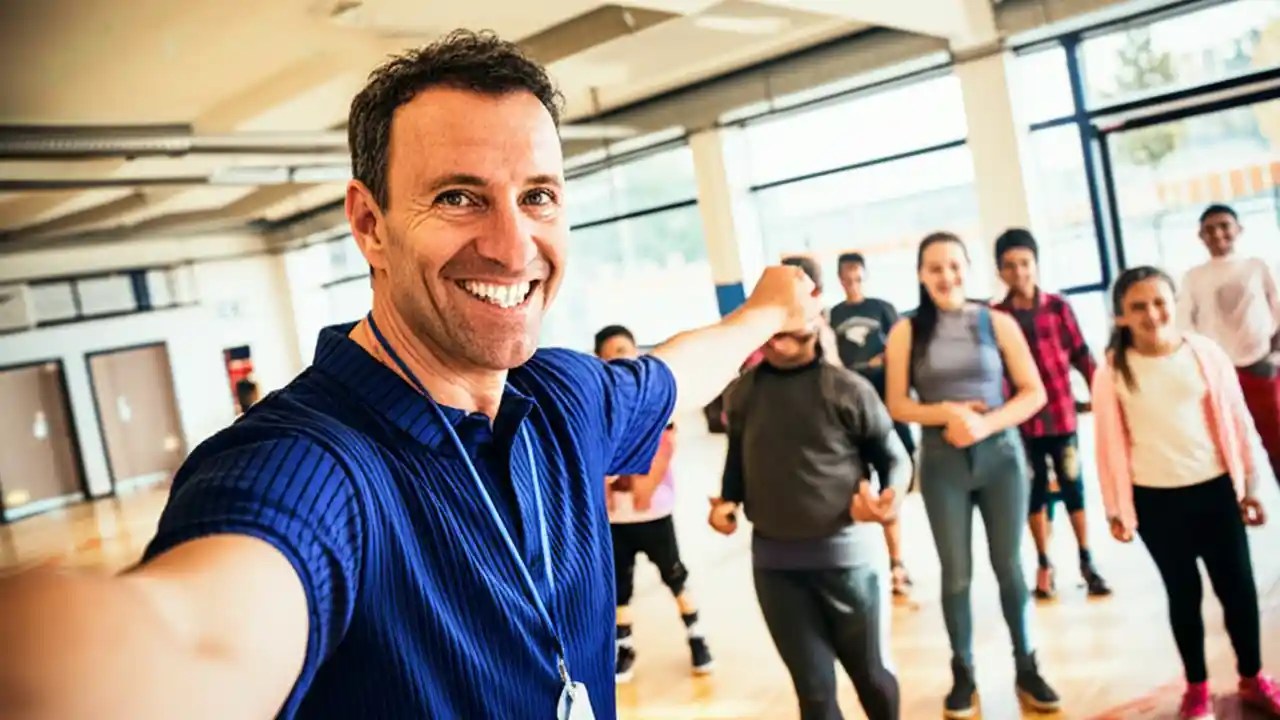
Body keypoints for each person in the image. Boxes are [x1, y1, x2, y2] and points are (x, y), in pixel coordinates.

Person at [0, 30, 821, 720]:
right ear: (370, 224)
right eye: (460, 197)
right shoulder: (314, 468)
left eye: (537, 196)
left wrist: (768, 311)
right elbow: (197, 639)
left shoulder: (563, 399)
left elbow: (677, 370)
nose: (512, 247)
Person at [883, 232, 1059, 718]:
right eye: (935, 268)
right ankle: (963, 671)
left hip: (1000, 457)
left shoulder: (996, 322)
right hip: (943, 463)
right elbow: (896, 404)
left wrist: (985, 423)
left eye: (954, 266)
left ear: (968, 268)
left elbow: (1033, 392)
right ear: (921, 275)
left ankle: (1027, 665)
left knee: (1010, 566)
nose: (946, 276)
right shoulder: (905, 331)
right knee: (956, 573)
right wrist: (947, 412)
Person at [1093, 266, 1280, 720]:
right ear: (1121, 316)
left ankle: (1253, 677)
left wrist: (1249, 484)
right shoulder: (1112, 371)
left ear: (1174, 304)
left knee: (1238, 589)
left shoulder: (1205, 354)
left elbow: (1236, 419)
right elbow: (1106, 444)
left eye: (1159, 302)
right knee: (1183, 593)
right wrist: (1116, 509)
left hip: (1216, 491)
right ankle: (1196, 688)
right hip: (1155, 500)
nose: (1152, 314)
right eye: (1138, 306)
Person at [709, 321, 911, 720]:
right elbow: (737, 464)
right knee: (814, 693)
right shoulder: (744, 392)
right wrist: (726, 504)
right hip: (777, 569)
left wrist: (890, 497)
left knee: (871, 676)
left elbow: (894, 458)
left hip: (848, 563)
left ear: (813, 326)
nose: (780, 336)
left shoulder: (848, 389)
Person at [992, 229, 1110, 600]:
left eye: (1024, 263)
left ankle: (1087, 559)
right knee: (1034, 492)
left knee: (1074, 486)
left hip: (1061, 416)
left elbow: (1081, 354)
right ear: (999, 271)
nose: (1019, 272)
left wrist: (1101, 395)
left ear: (1036, 263)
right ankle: (1044, 563)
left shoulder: (1058, 307)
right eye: (1010, 266)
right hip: (1022, 424)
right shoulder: (997, 317)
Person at [594, 325, 713, 683]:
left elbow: (660, 451)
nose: (621, 358)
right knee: (619, 586)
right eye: (612, 353)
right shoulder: (597, 410)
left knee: (674, 574)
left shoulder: (655, 406)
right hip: (615, 518)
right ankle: (624, 647)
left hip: (654, 514)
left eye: (626, 350)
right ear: (600, 359)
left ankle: (696, 636)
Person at [828, 251, 917, 599]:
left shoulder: (882, 309)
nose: (853, 283)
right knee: (858, 488)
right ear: (840, 280)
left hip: (885, 409)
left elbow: (902, 349)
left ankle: (898, 563)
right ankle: (860, 564)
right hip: (851, 414)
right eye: (847, 278)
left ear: (865, 275)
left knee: (890, 488)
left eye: (857, 277)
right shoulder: (834, 316)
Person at [1178, 204, 1280, 487]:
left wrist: (1274, 357)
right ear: (1201, 236)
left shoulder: (1257, 266)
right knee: (1226, 440)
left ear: (1238, 229)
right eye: (1209, 229)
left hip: (1260, 365)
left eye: (1224, 226)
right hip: (1217, 374)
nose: (1217, 234)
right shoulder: (1193, 277)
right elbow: (1184, 325)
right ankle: (1241, 498)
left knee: (1276, 436)